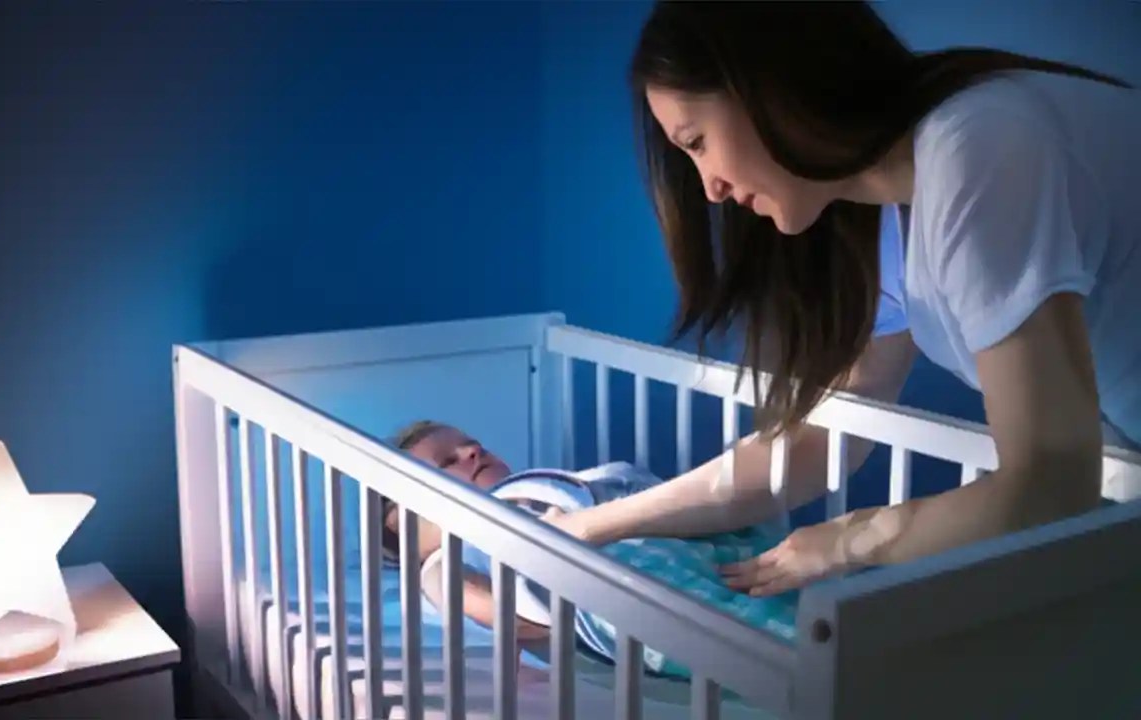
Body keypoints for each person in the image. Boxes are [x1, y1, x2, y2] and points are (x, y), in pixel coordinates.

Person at [542, 1, 1141, 597]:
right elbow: (821, 441)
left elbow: (1051, 480)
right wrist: (596, 524)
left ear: (770, 85)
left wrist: (849, 540)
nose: (711, 190)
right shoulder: (887, 214)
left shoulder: (977, 147)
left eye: (696, 141)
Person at [380, 420, 798, 677]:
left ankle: (833, 618)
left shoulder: (536, 484)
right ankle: (816, 660)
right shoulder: (444, 558)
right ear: (408, 525)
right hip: (614, 580)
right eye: (447, 462)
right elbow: (497, 611)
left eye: (473, 444)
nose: (472, 450)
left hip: (675, 535)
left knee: (773, 568)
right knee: (727, 627)